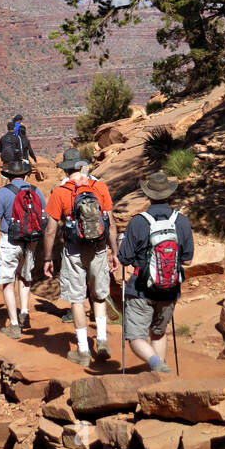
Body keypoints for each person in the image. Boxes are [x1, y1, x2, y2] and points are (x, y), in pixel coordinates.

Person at [43, 148, 119, 365]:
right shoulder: (99, 187)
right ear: (82, 167)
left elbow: (50, 230)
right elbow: (111, 224)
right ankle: (102, 341)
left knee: (77, 299)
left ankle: (84, 351)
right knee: (99, 295)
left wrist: (47, 258)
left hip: (74, 251)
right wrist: (114, 252)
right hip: (98, 248)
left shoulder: (60, 192)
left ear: (66, 170)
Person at [118, 172, 194, 374]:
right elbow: (187, 259)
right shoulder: (182, 221)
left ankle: (156, 365)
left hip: (141, 289)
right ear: (169, 194)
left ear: (148, 195)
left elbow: (124, 259)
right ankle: (160, 376)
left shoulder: (138, 222)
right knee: (158, 333)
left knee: (135, 337)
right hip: (169, 289)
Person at [0, 159, 46, 338]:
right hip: (31, 241)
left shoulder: (2, 193)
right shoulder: (36, 191)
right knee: (25, 277)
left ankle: (14, 325)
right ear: (26, 174)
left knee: (8, 280)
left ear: (9, 176)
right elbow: (45, 215)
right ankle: (25, 313)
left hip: (10, 241)